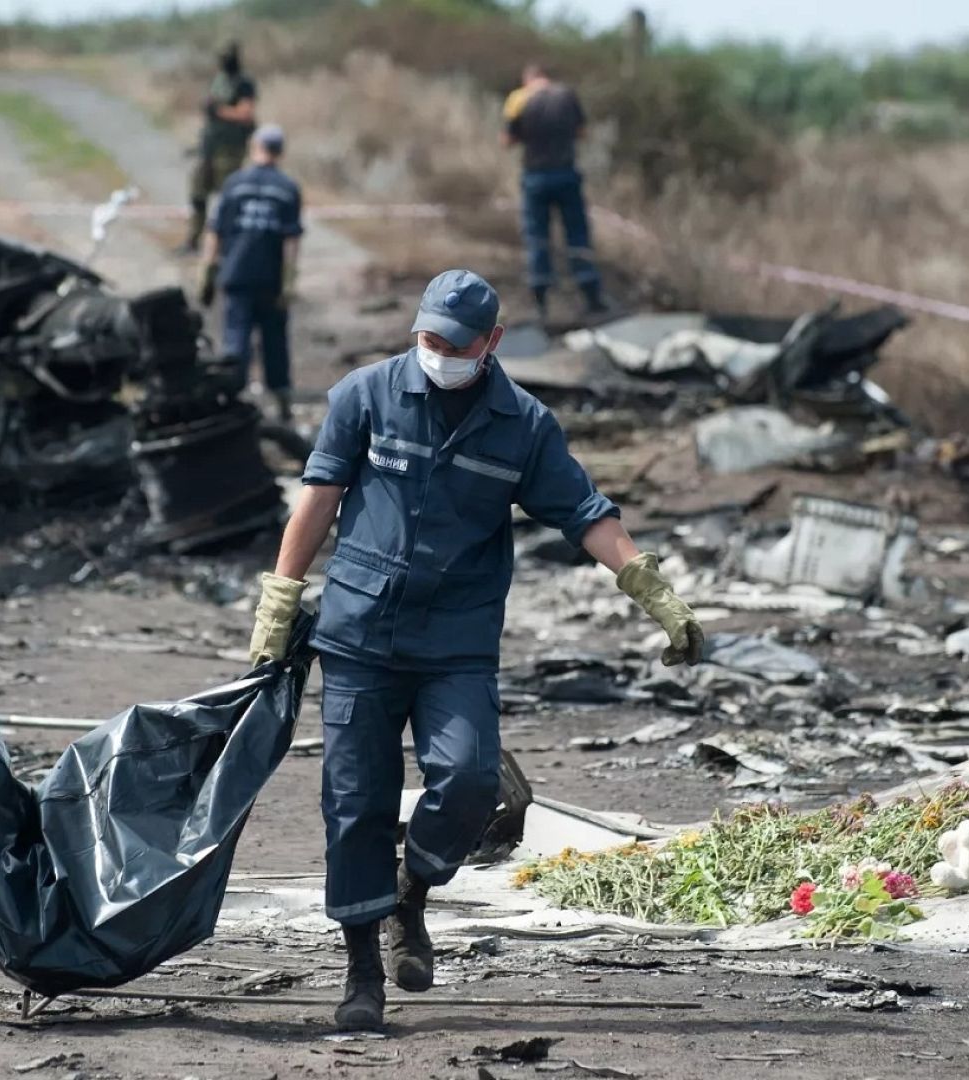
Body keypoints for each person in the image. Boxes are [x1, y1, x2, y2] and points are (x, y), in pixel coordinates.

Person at [245, 269, 701, 1031]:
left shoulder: (522, 425)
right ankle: (362, 974)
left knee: (467, 780)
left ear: (490, 343)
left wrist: (653, 591)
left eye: (456, 344)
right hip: (359, 634)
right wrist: (279, 601)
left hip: (455, 641)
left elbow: (585, 513)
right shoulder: (365, 395)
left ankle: (410, 895)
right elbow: (319, 497)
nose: (438, 353)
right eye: (428, 338)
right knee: (353, 804)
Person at [200, 124, 303, 421]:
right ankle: (283, 404)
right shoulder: (287, 188)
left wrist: (207, 272)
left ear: (253, 147)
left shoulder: (234, 184)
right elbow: (291, 240)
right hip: (270, 279)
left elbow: (215, 231)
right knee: (275, 342)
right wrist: (289, 281)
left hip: (236, 275)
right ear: (280, 151)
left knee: (235, 341)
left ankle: (232, 403)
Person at [502, 64, 607, 318]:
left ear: (528, 79)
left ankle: (541, 300)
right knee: (577, 234)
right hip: (566, 173)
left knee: (537, 236)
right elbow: (582, 132)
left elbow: (507, 141)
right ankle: (590, 295)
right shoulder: (567, 96)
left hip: (535, 177)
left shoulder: (519, 99)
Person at [180, 40, 257, 254]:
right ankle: (193, 240)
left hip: (230, 150)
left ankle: (228, 243)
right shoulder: (219, 80)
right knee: (197, 193)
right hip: (210, 146)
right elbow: (211, 106)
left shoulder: (244, 83)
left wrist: (220, 110)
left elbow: (245, 113)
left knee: (228, 196)